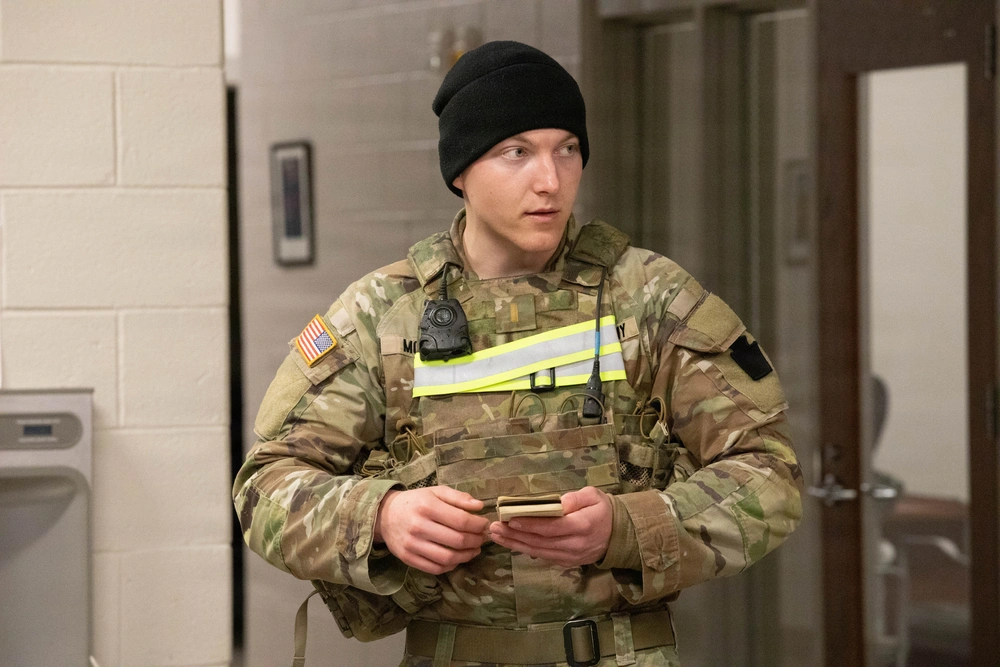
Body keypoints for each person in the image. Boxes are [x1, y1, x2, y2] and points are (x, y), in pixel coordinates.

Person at [234, 40, 803, 667]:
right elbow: (264, 488)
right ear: (461, 172)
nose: (550, 180)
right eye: (516, 152)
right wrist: (383, 517)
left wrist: (629, 526)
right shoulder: (382, 314)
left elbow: (770, 475)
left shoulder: (648, 297)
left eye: (568, 149)